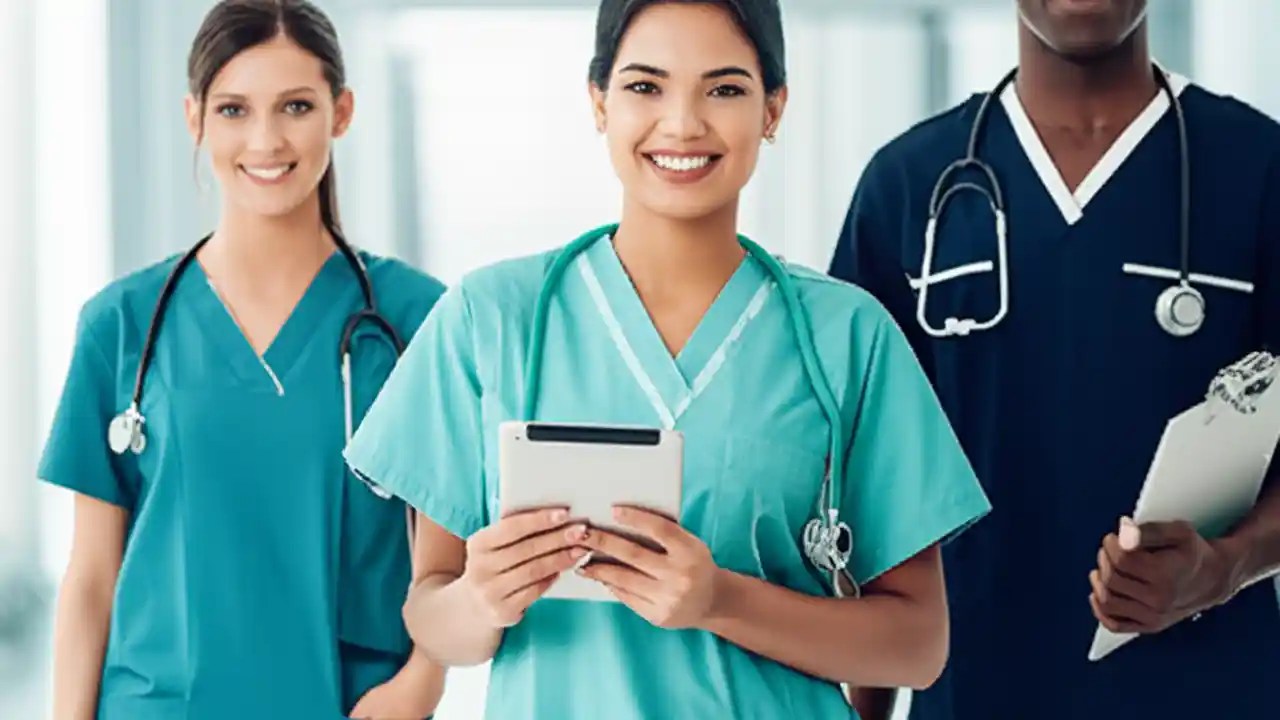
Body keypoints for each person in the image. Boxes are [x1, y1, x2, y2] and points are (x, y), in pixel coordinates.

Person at [343, 1, 991, 718]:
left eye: (725, 89)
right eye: (646, 86)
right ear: (598, 103)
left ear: (773, 109)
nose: (682, 123)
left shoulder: (846, 336)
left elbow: (918, 646)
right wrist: (480, 599)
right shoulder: (489, 317)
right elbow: (431, 611)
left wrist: (721, 599)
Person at [829, 1, 1280, 718]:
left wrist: (1224, 569)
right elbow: (863, 493)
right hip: (975, 694)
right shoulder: (907, 190)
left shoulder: (1259, 169)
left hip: (1211, 692)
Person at [39, 1, 447, 718]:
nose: (265, 139)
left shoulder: (418, 320)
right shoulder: (121, 324)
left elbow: (449, 564)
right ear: (193, 119)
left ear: (341, 112)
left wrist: (422, 682)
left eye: (295, 106)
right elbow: (91, 580)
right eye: (233, 110)